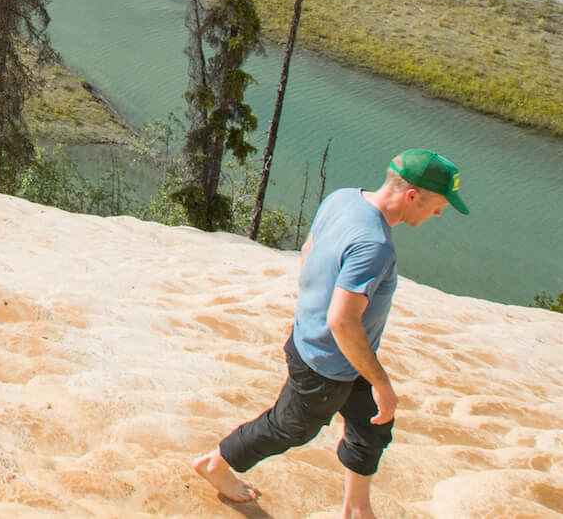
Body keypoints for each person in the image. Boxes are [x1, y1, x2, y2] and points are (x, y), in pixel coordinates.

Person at [193, 150, 469, 518]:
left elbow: (308, 251)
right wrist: (382, 382)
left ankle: (357, 508)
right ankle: (215, 463)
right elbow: (342, 321)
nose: (438, 214)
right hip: (325, 364)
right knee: (289, 427)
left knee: (373, 424)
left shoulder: (344, 199)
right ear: (412, 196)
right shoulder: (375, 246)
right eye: (438, 205)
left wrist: (313, 313)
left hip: (340, 352)